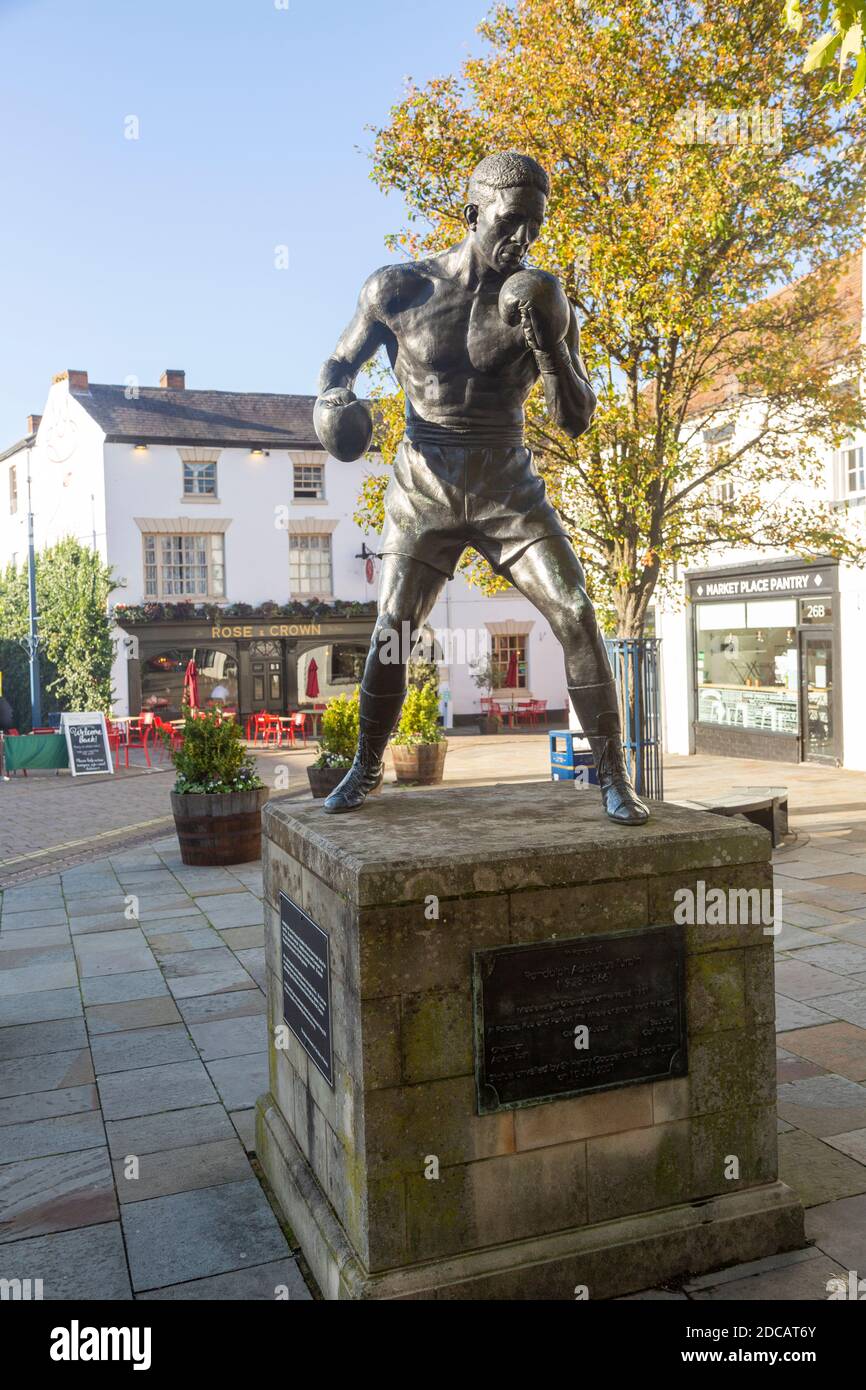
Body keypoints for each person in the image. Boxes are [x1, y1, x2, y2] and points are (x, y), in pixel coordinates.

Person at [314, 151, 649, 825]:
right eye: (511, 221)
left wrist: (550, 349)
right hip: (425, 482)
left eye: (535, 225)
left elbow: (576, 419)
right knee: (392, 632)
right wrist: (332, 404)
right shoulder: (398, 291)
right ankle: (366, 765)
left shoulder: (542, 296)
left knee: (577, 612)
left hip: (506, 482)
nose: (523, 239)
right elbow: (338, 361)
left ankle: (615, 776)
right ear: (473, 213)